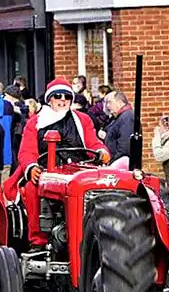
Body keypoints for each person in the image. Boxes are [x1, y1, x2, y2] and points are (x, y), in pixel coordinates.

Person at [8, 78, 107, 250]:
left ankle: (96, 235)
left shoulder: (82, 120)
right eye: (57, 96)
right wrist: (32, 167)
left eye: (67, 97)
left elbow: (93, 142)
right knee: (32, 189)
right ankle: (38, 239)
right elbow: (27, 151)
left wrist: (101, 151)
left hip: (78, 171)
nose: (62, 100)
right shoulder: (35, 123)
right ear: (49, 99)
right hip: (46, 171)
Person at [103, 91, 135, 161]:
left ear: (120, 102)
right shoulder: (120, 117)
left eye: (110, 102)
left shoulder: (127, 117)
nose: (107, 106)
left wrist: (112, 162)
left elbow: (125, 147)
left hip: (120, 164)